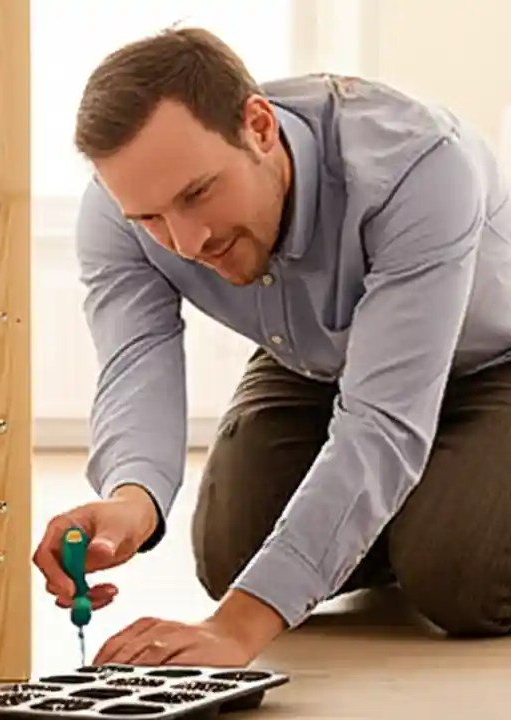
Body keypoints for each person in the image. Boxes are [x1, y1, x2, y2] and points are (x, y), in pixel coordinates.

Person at [32, 26, 511, 667]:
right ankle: (420, 511)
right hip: (319, 363)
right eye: (149, 218)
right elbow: (135, 361)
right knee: (234, 552)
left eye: (198, 194)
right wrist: (131, 502)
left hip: (490, 362)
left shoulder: (419, 167)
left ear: (259, 127)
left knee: (460, 576)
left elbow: (384, 422)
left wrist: (235, 629)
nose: (186, 240)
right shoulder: (120, 209)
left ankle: (443, 519)